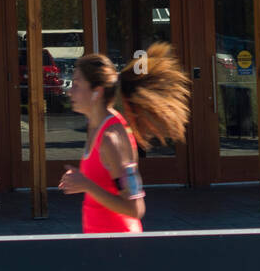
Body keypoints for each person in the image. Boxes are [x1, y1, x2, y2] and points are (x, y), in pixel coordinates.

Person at [57, 43, 190, 233]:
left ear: (97, 91)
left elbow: (135, 208)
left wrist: (87, 185)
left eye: (77, 85)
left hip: (121, 249)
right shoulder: (95, 128)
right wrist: (83, 180)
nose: (70, 91)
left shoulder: (111, 139)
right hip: (101, 248)